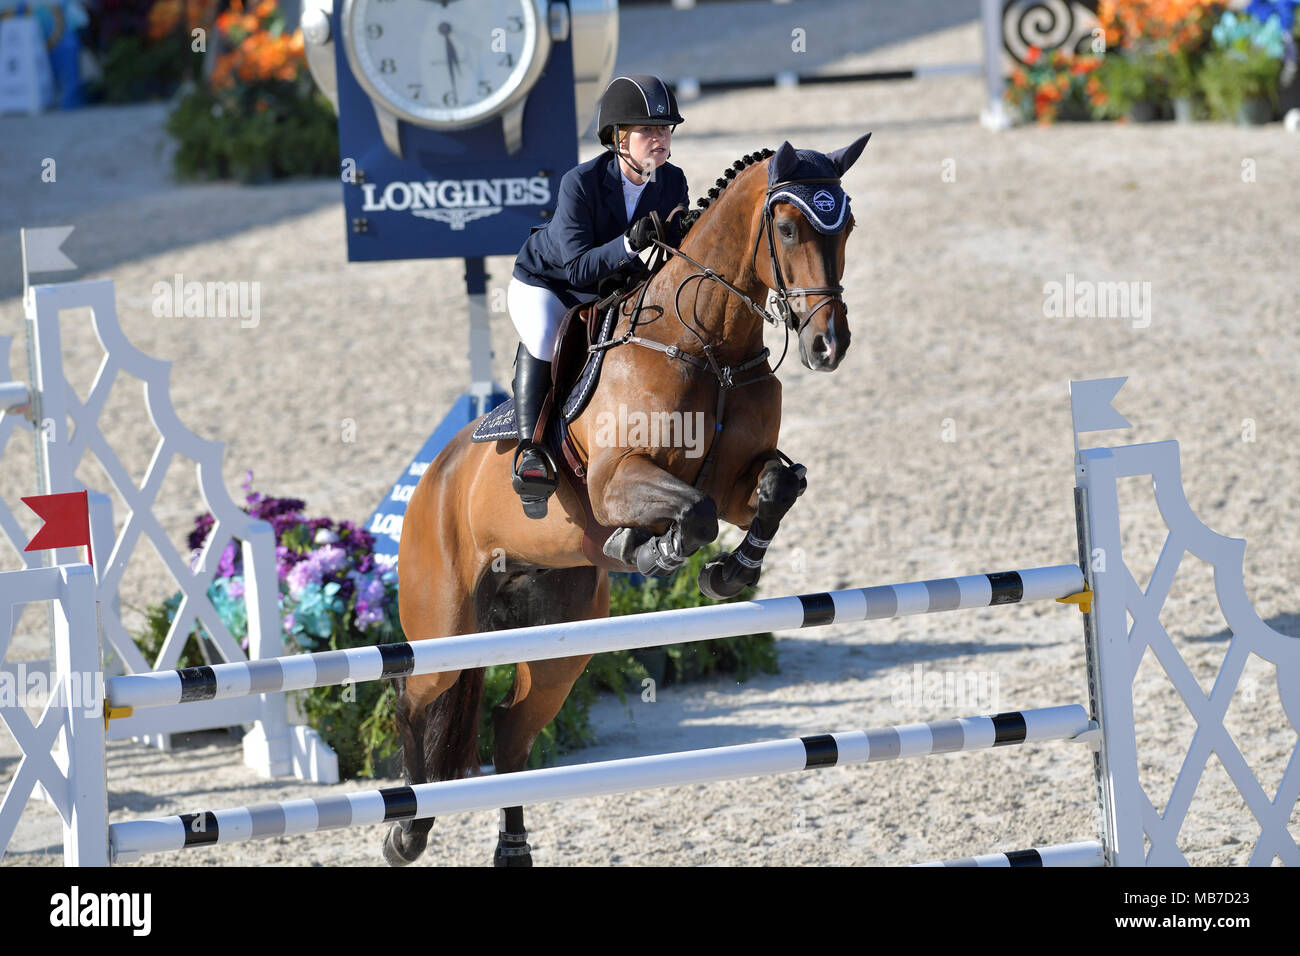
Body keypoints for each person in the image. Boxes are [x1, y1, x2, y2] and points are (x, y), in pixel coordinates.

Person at [506, 74, 691, 518]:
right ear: (619, 138)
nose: (660, 139)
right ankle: (531, 453)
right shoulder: (581, 183)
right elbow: (577, 267)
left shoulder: (673, 182)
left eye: (665, 130)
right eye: (649, 130)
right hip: (549, 286)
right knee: (548, 338)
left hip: (613, 290)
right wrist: (630, 243)